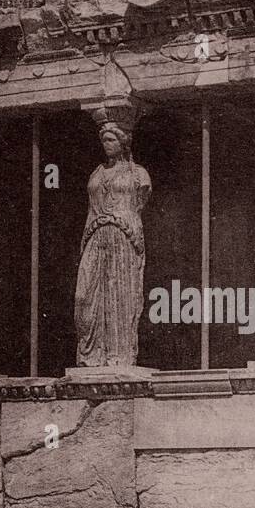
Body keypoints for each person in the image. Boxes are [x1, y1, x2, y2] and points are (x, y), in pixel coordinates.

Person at [75, 121, 152, 368]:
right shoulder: (96, 174)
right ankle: (91, 355)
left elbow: (139, 203)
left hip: (123, 235)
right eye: (104, 140)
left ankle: (118, 356)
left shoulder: (138, 174)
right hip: (96, 234)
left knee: (121, 296)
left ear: (123, 143)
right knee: (84, 297)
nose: (106, 145)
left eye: (111, 140)